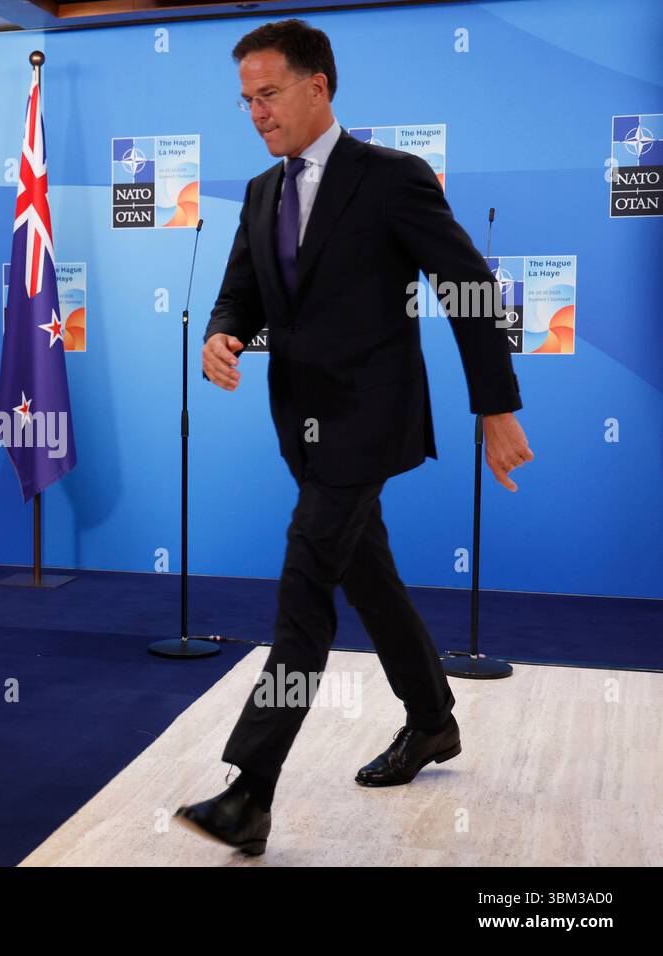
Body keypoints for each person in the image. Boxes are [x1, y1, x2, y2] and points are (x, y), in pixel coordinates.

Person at [175, 20, 534, 854]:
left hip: (369, 425)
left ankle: (250, 790)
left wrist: (497, 404)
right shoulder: (264, 192)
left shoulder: (391, 178)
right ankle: (433, 719)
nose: (256, 113)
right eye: (245, 101)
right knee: (365, 574)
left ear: (317, 87)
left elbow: (468, 285)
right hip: (300, 425)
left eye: (268, 94)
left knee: (303, 597)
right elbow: (242, 295)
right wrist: (222, 335)